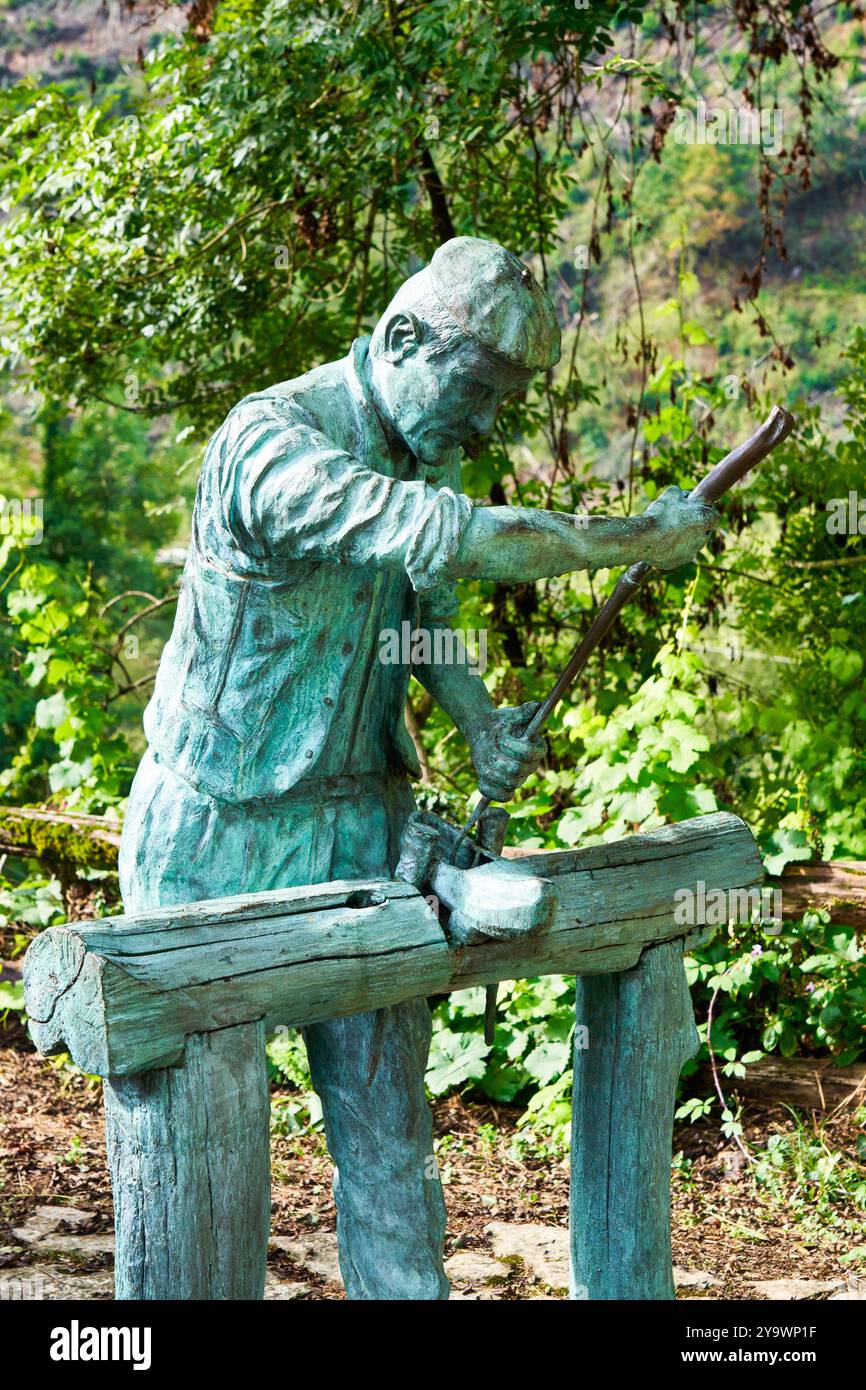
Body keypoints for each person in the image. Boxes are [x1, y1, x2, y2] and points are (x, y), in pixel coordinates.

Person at [119, 236, 720, 1299]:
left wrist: (480, 722)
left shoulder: (425, 446)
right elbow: (456, 539)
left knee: (391, 1148)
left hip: (359, 827)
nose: (484, 425)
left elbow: (427, 616)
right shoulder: (270, 445)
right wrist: (634, 535)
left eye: (503, 402)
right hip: (213, 834)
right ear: (401, 339)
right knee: (204, 1151)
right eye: (477, 389)